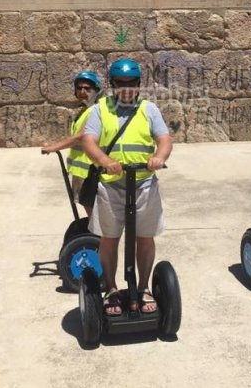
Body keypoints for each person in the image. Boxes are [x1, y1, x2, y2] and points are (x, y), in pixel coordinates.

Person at [81, 58, 172, 316]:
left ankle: (143, 287)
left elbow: (164, 139)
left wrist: (160, 157)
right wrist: (105, 160)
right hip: (111, 186)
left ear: (138, 84)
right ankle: (110, 289)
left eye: (131, 83)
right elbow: (89, 141)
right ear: (112, 85)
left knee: (145, 237)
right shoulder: (101, 109)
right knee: (109, 240)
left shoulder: (149, 109)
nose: (126, 88)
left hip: (143, 184)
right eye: (121, 84)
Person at [41, 71, 102, 217]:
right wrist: (54, 145)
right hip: (81, 170)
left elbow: (80, 137)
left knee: (93, 212)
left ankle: (99, 239)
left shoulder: (95, 110)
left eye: (87, 89)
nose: (82, 92)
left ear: (96, 91)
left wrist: (54, 147)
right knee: (89, 210)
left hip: (89, 170)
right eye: (79, 88)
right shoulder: (84, 111)